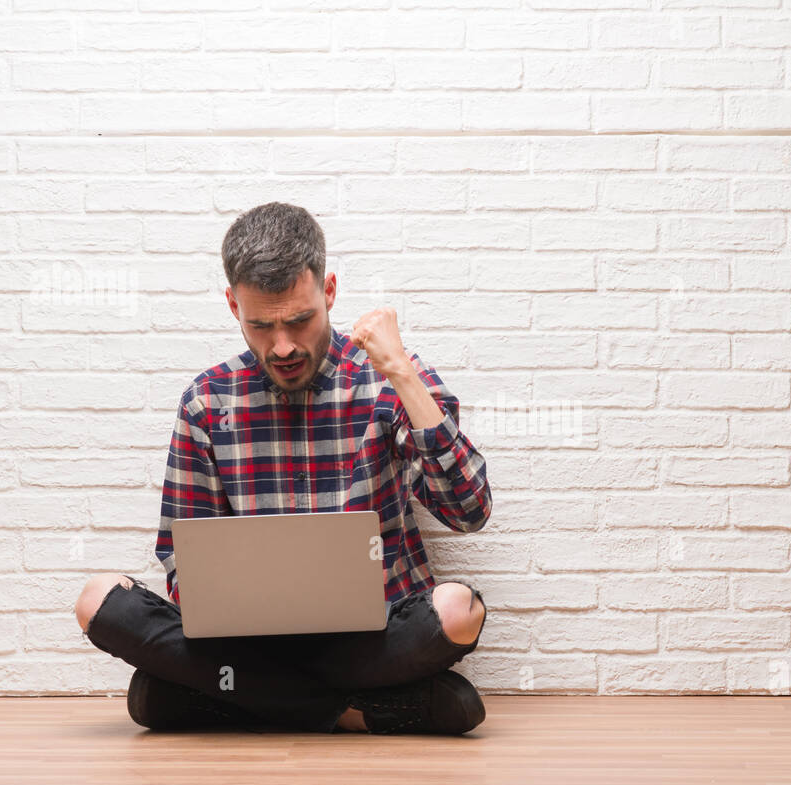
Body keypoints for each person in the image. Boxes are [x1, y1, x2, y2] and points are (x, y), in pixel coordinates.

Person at [73, 202, 493, 736]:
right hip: (248, 644)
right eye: (261, 325)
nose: (284, 346)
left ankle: (239, 699)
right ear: (232, 305)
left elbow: (469, 511)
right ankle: (351, 710)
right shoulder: (207, 401)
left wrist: (403, 375)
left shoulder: (392, 380)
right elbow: (181, 558)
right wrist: (236, 611)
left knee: (459, 611)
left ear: (330, 292)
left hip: (374, 635)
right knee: (98, 602)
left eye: (299, 320)